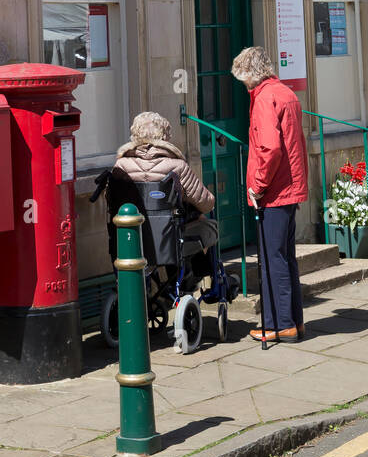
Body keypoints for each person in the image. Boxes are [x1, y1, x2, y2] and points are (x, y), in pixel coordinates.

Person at [232, 45, 309, 343]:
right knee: (286, 258)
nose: (244, 85)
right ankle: (294, 323)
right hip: (289, 189)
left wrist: (257, 186)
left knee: (271, 259)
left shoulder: (264, 98)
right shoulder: (286, 92)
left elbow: (270, 148)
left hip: (274, 191)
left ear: (251, 73)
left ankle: (280, 325)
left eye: (243, 78)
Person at [112, 111, 218, 261]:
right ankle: (193, 277)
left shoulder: (120, 166)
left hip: (131, 238)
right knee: (208, 225)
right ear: (165, 136)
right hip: (168, 242)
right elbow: (206, 203)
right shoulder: (177, 166)